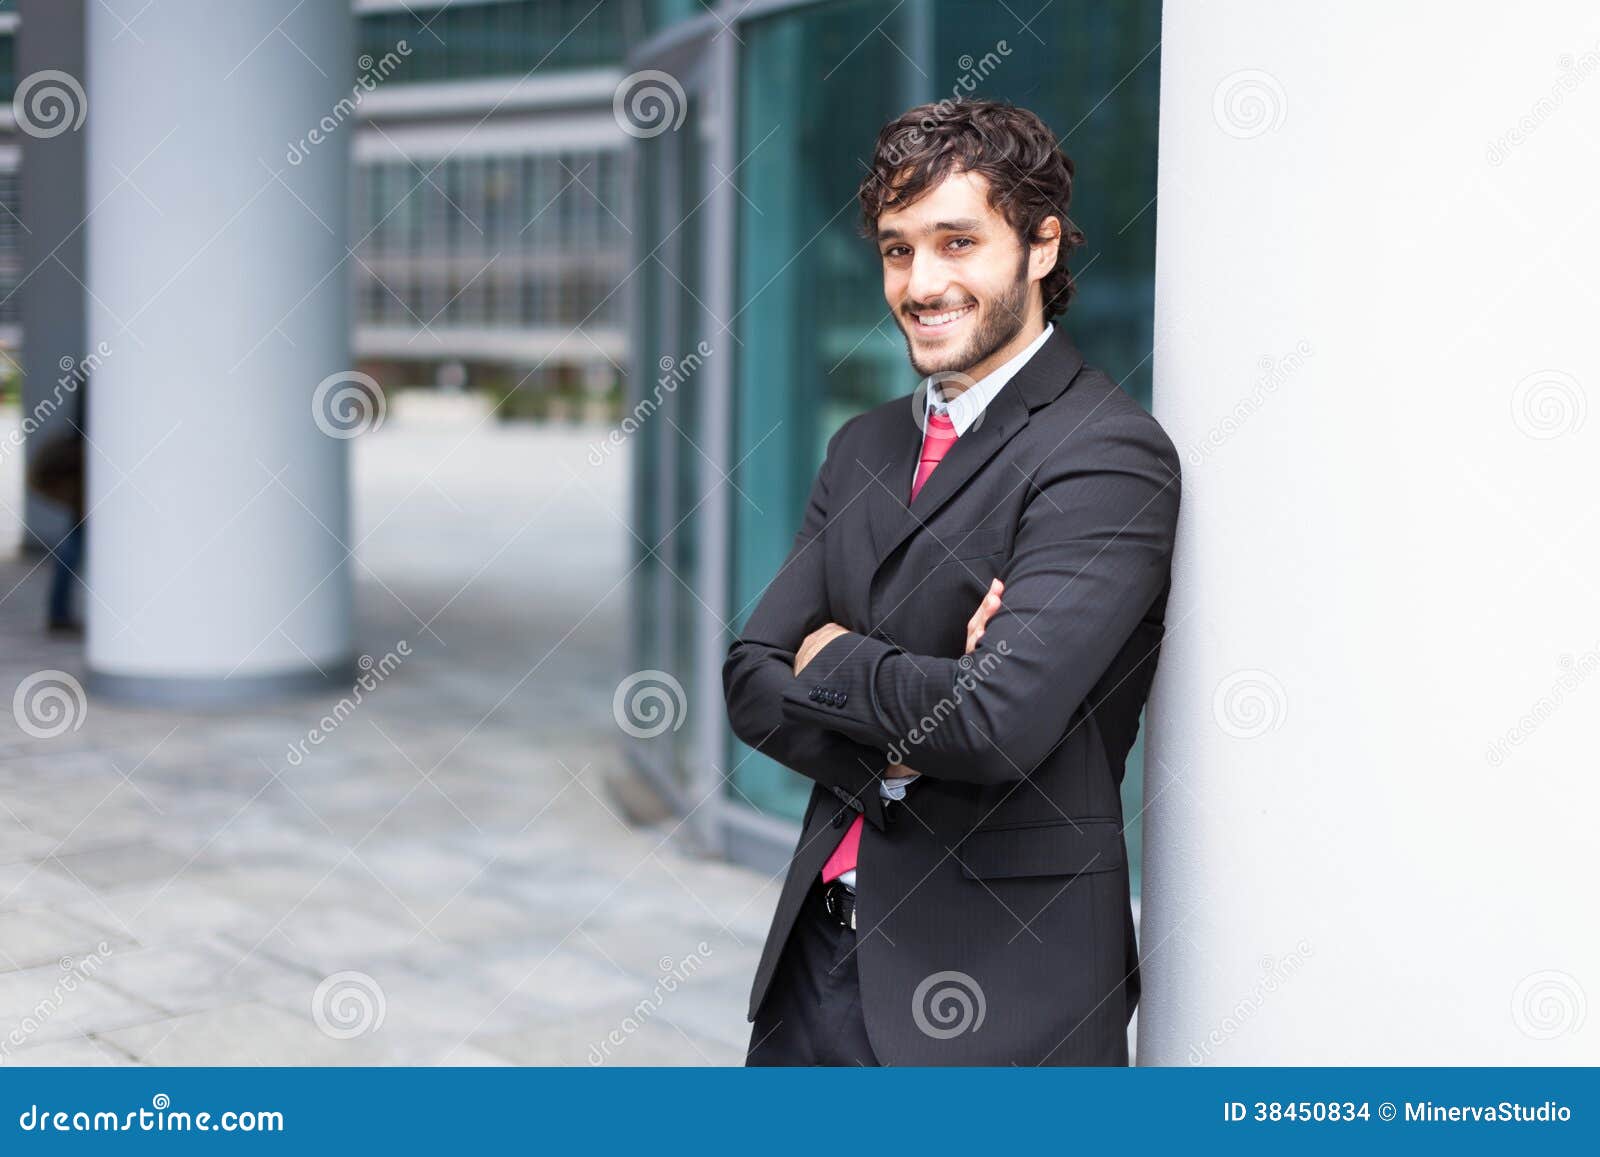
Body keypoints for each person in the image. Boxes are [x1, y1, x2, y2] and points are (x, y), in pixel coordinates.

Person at [723, 100, 1181, 1066]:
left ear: (1042, 247)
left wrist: (833, 658)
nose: (922, 283)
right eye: (899, 250)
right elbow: (750, 678)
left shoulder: (1105, 454)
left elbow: (994, 720)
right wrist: (911, 735)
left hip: (1002, 989)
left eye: (958, 242)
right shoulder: (864, 444)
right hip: (815, 968)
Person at [25, 374, 88, 635]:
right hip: (86, 482)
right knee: (74, 547)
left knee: (73, 546)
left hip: (84, 485)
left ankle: (59, 613)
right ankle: (59, 613)